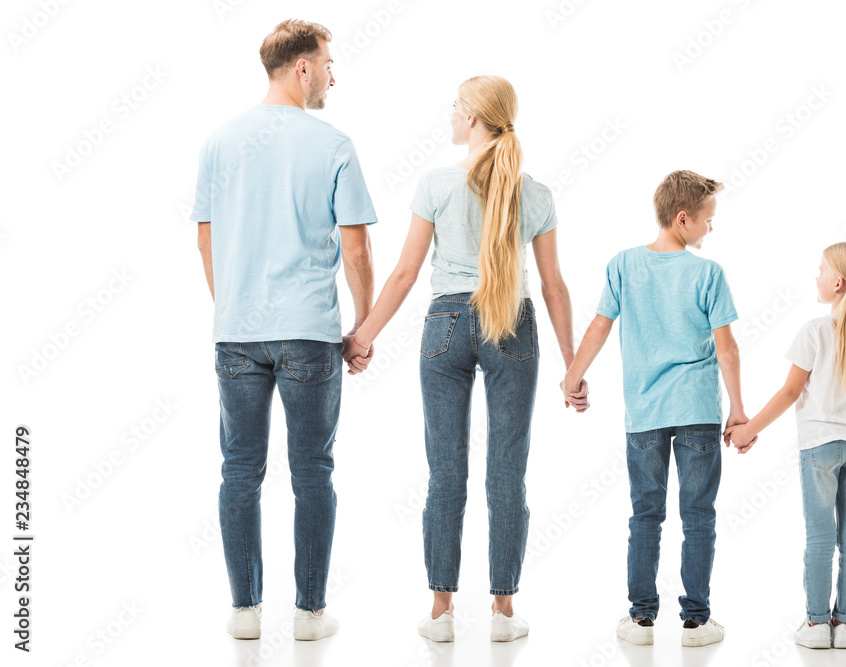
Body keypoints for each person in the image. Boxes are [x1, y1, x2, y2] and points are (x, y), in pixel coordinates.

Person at [345, 75, 585, 643]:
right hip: (512, 323)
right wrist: (572, 366)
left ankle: (441, 611)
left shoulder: (435, 185)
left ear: (474, 119)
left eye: (455, 108)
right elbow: (553, 286)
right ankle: (503, 612)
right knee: (508, 469)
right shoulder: (537, 193)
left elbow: (405, 274)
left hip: (446, 323)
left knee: (445, 470)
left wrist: (363, 336)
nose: (450, 116)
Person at [191, 19, 377, 641]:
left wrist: (234, 306)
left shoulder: (220, 140)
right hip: (309, 333)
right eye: (327, 62)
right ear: (302, 68)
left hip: (236, 331)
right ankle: (308, 615)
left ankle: (245, 612)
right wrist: (363, 325)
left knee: (239, 469)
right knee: (312, 472)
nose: (332, 74)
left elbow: (205, 235)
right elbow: (355, 249)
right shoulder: (333, 145)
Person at [562, 170, 746, 647]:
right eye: (707, 220)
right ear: (682, 219)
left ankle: (640, 619)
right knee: (698, 514)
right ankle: (697, 622)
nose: (711, 228)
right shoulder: (708, 274)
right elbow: (727, 350)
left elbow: (599, 328)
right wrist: (739, 409)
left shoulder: (623, 265)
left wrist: (573, 376)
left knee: (645, 514)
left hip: (644, 411)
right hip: (698, 409)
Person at [726, 242, 846, 650]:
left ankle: (816, 626)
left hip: (820, 447)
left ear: (837, 282)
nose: (814, 277)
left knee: (819, 537)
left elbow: (790, 392)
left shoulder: (815, 330)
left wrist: (749, 429)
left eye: (819, 271)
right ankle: (844, 626)